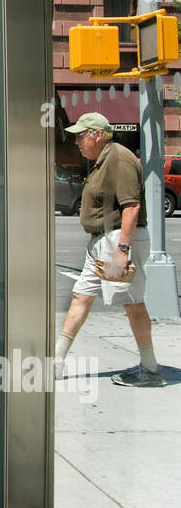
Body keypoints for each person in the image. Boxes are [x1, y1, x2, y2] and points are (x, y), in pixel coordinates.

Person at [55, 112, 166, 387]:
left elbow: (132, 206)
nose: (78, 142)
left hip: (118, 240)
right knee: (81, 296)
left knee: (132, 304)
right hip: (102, 242)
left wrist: (122, 251)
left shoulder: (118, 157)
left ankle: (151, 370)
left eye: (81, 136)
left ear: (97, 135)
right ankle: (56, 362)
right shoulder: (103, 160)